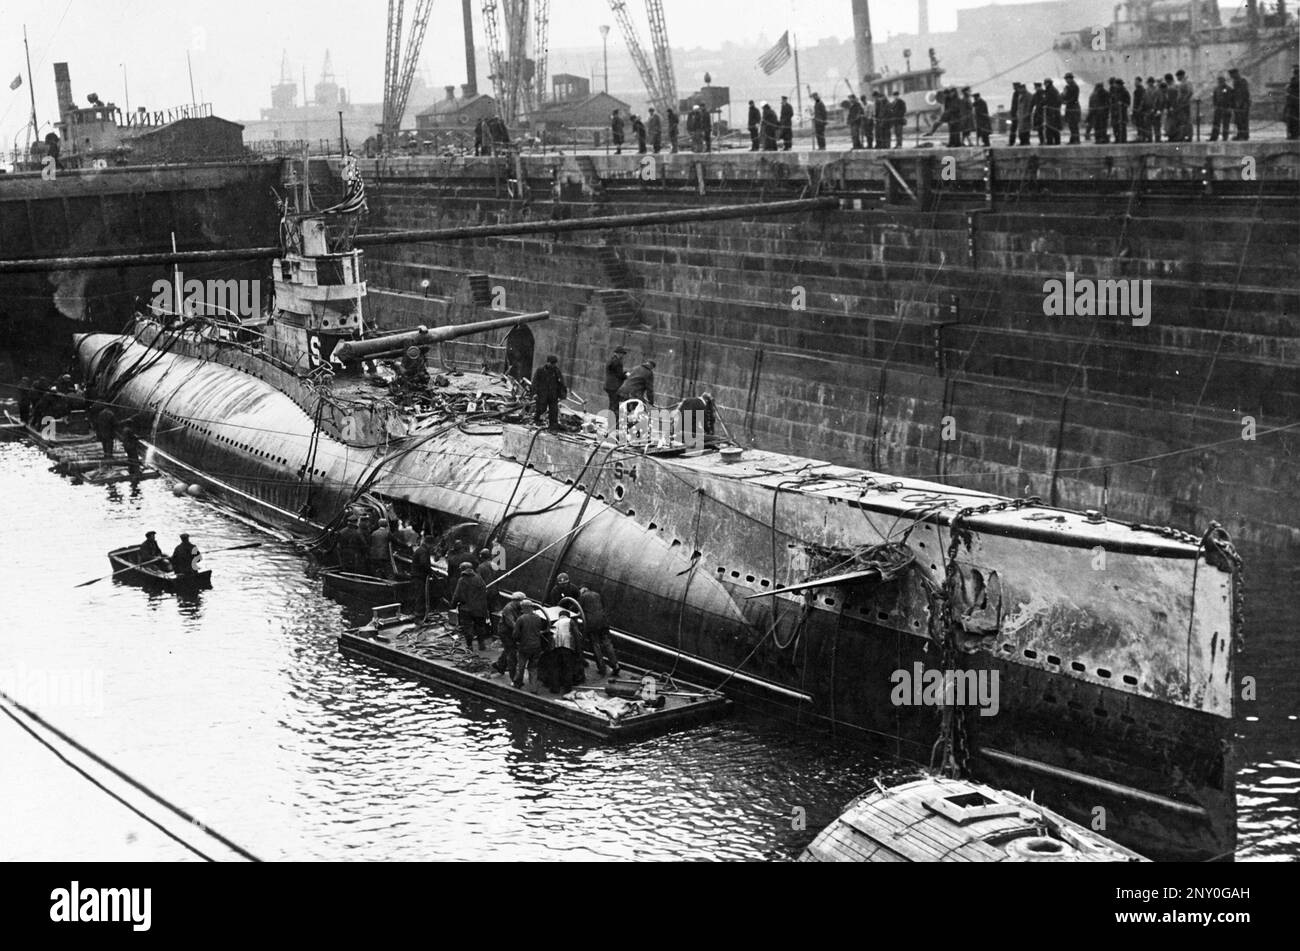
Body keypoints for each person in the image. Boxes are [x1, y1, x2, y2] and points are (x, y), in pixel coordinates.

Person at [578, 586, 620, 677]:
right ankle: (615, 665)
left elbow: (577, 609)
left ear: (582, 591)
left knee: (595, 644)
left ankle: (602, 668)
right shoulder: (597, 594)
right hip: (603, 622)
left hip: (592, 624)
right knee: (607, 643)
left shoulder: (582, 597)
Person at [450, 562, 491, 651]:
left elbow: (457, 594)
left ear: (463, 569)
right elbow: (484, 591)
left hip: (466, 609)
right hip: (479, 608)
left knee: (467, 627)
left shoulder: (462, 580)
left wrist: (453, 605)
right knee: (480, 626)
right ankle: (481, 644)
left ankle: (469, 646)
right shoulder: (479, 578)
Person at [512, 604, 547, 690]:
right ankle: (534, 688)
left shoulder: (521, 619)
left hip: (524, 646)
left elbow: (515, 634)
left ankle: (517, 683)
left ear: (524, 608)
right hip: (536, 646)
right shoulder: (538, 618)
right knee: (533, 667)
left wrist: (517, 641)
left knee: (521, 665)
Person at [493, 591, 527, 676]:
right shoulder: (508, 609)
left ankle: (500, 665)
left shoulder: (520, 608)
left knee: (509, 648)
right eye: (522, 601)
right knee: (511, 652)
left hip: (512, 632)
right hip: (505, 632)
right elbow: (511, 623)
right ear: (516, 600)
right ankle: (513, 675)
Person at [531, 354, 566, 430]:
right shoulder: (540, 370)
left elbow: (561, 383)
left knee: (554, 411)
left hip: (553, 395)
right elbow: (535, 382)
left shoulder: (556, 371)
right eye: (552, 363)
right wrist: (534, 393)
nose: (554, 365)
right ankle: (537, 423)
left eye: (555, 363)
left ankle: (553, 426)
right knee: (540, 409)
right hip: (542, 394)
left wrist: (562, 395)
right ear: (548, 362)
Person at [411, 534, 434, 617]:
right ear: (430, 544)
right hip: (419, 576)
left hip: (418, 576)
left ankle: (420, 613)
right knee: (420, 595)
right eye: (432, 545)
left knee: (420, 595)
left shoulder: (421, 549)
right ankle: (419, 614)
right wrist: (430, 571)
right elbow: (424, 563)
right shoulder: (423, 551)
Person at [605, 346, 629, 420]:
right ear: (618, 353)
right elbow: (619, 375)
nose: (623, 356)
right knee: (615, 404)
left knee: (612, 403)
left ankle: (610, 419)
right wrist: (626, 375)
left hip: (609, 385)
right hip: (614, 386)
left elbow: (615, 373)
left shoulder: (611, 360)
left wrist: (624, 373)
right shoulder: (617, 362)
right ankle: (613, 421)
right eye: (622, 354)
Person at [1228, 68, 1250, 141]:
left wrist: (1239, 103)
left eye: (1231, 75)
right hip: (1237, 104)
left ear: (1236, 74)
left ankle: (1244, 135)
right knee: (1238, 121)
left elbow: (1243, 93)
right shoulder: (1235, 82)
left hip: (1243, 104)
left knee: (1243, 121)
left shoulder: (1242, 81)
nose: (1231, 76)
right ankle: (1240, 134)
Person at [1209, 74, 1231, 142]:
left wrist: (1229, 107)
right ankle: (1214, 136)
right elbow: (1214, 98)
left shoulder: (1228, 89)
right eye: (1219, 81)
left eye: (1221, 81)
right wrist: (1215, 106)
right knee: (1216, 123)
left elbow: (1230, 98)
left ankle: (1225, 136)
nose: (1220, 82)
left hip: (1226, 108)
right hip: (1218, 108)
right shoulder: (1216, 89)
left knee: (1226, 123)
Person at [1109, 78, 1129, 143]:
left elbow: (1128, 102)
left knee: (1122, 126)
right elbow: (1111, 101)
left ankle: (1123, 139)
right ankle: (1117, 139)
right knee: (1115, 126)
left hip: (1122, 112)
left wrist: (1122, 104)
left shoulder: (1125, 92)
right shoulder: (1114, 92)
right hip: (1115, 112)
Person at [1062, 73, 1081, 144]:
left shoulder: (1074, 86)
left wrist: (1066, 102)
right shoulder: (1068, 87)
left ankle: (1076, 140)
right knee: (1071, 125)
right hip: (1070, 108)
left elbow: (1075, 98)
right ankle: (1073, 139)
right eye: (1066, 79)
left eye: (1067, 79)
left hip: (1074, 108)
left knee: (1074, 125)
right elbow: (1064, 96)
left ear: (1071, 79)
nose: (1066, 80)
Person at [1043, 79, 1061, 145]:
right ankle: (1056, 142)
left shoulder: (1051, 90)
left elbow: (1049, 100)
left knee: (1051, 128)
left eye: (1045, 83)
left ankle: (1051, 142)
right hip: (1053, 111)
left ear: (1049, 83)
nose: (1044, 84)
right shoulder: (1051, 90)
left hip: (1052, 112)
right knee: (1053, 128)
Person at [1131, 76, 1147, 142]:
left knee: (1141, 123)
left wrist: (1139, 108)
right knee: (1138, 123)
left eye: (1136, 82)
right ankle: (1140, 136)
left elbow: (1142, 100)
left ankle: (1142, 136)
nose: (1135, 83)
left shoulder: (1141, 90)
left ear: (1139, 82)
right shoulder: (1137, 90)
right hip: (1137, 109)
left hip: (1140, 110)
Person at [1286, 66, 1300, 140]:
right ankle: (1294, 134)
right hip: (1293, 102)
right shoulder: (1294, 80)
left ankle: (1293, 134)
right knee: (1294, 119)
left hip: (1293, 103)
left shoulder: (1294, 80)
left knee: (1293, 119)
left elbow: (1289, 88)